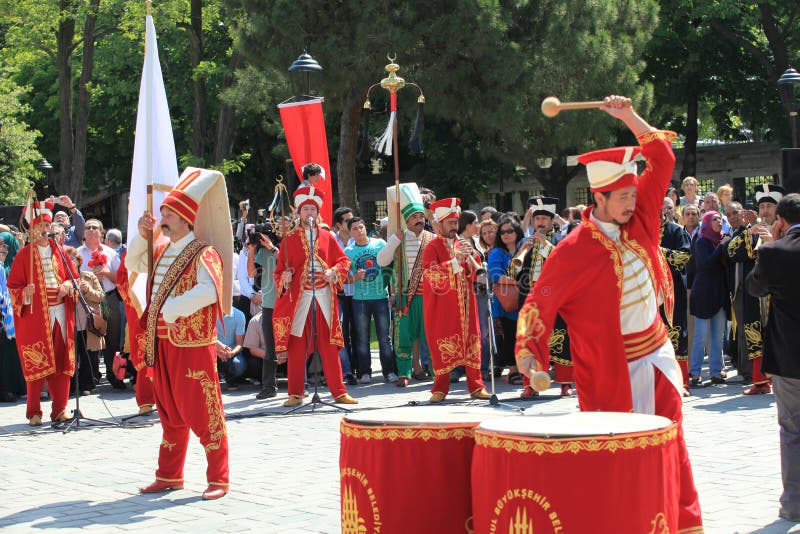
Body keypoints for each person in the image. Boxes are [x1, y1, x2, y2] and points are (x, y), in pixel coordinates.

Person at [514, 95, 702, 531]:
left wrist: (628, 117)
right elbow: (537, 304)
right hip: (608, 369)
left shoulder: (641, 221)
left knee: (671, 444)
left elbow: (663, 157)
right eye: (621, 197)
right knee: (617, 456)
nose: (631, 204)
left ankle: (681, 523)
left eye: (633, 195)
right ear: (597, 198)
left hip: (656, 355)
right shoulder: (572, 251)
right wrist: (530, 355)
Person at [128, 168, 233, 500]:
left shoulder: (205, 252)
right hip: (161, 343)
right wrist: (139, 234)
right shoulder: (159, 251)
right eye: (162, 213)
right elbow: (134, 262)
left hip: (191, 343)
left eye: (169, 212)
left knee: (204, 410)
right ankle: (169, 474)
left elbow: (210, 291)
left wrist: (173, 308)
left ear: (186, 218)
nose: (163, 217)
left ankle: (219, 477)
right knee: (170, 412)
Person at [272, 186, 357, 407]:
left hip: (323, 295)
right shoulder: (288, 239)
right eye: (305, 209)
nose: (309, 213)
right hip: (299, 299)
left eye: (313, 209)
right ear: (299, 213)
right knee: (297, 345)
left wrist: (334, 272)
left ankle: (338, 391)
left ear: (318, 213)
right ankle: (295, 393)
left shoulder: (328, 237)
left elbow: (343, 261)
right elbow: (278, 271)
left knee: (329, 344)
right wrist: (286, 276)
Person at [746, 193, 800, 523]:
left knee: (792, 429)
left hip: (789, 355)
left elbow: (755, 288)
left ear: (780, 221)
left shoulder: (774, 252)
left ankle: (794, 502)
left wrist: (765, 250)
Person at [7, 200, 79, 425]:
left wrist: (68, 285)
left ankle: (60, 409)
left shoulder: (60, 251)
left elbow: (74, 277)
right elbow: (13, 287)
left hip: (60, 310)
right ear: (31, 229)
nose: (45, 231)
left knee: (62, 361)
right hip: (37, 315)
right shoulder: (24, 255)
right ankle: (34, 411)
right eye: (40, 227)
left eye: (47, 226)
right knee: (37, 361)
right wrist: (25, 293)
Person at [423, 197, 490, 402]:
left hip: (467, 302)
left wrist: (473, 261)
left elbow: (473, 271)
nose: (454, 227)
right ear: (440, 224)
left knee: (472, 342)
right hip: (444, 307)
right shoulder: (432, 247)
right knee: (443, 343)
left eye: (456, 223)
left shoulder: (462, 243)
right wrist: (455, 260)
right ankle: (440, 388)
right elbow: (431, 274)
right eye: (450, 223)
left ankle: (476, 386)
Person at [377, 183, 435, 388]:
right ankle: (404, 372)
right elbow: (382, 261)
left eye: (420, 216)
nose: (418, 220)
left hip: (429, 296)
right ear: (406, 220)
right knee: (404, 336)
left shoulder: (432, 239)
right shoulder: (397, 239)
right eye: (413, 217)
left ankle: (438, 372)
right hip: (404, 296)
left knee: (431, 334)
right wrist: (393, 241)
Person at [515, 197, 573, 398]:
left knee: (560, 339)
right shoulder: (525, 242)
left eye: (544, 219)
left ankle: (565, 383)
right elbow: (513, 271)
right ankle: (530, 384)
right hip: (531, 298)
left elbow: (566, 264)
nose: (540, 222)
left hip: (555, 298)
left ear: (551, 221)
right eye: (537, 219)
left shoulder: (559, 240)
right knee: (530, 340)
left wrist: (546, 245)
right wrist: (522, 251)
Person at [344, 217, 395, 383]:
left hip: (381, 296)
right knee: (362, 338)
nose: (359, 231)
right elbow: (345, 279)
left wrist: (392, 292)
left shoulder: (379, 244)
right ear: (350, 232)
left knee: (384, 337)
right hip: (360, 300)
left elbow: (390, 269)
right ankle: (365, 372)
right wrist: (356, 277)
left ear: (365, 227)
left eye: (361, 227)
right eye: (355, 229)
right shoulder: (348, 252)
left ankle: (389, 371)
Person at [77, 219, 123, 389]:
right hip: (86, 301)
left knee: (112, 337)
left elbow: (120, 279)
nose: (90, 230)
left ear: (101, 233)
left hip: (108, 298)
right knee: (89, 339)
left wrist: (106, 273)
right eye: (87, 227)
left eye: (94, 227)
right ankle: (90, 378)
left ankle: (114, 375)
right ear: (83, 233)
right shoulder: (77, 253)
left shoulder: (111, 253)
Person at [689, 211, 730, 386]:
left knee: (718, 336)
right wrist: (721, 246)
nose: (719, 221)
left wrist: (723, 245)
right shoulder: (702, 241)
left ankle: (715, 372)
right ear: (706, 222)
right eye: (715, 219)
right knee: (700, 335)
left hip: (719, 293)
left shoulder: (723, 239)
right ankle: (695, 373)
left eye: (720, 219)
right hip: (704, 294)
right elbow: (705, 264)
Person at [660, 197, 692, 393]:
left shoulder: (676, 231)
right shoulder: (640, 231)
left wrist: (659, 252)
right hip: (647, 291)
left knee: (677, 333)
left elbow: (685, 256)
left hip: (674, 289)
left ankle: (682, 383)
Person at [65, 247, 105, 396]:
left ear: (79, 261)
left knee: (88, 355)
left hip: (89, 323)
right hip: (70, 324)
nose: (71, 262)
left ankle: (86, 385)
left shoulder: (88, 276)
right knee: (72, 356)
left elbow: (101, 296)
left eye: (73, 258)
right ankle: (71, 386)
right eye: (68, 259)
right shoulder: (62, 279)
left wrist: (88, 290)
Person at [248, 224, 280, 400]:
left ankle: (300, 385)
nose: (263, 240)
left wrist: (272, 247)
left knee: (295, 344)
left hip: (288, 304)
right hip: (268, 304)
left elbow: (287, 263)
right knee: (270, 348)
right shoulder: (263, 253)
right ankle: (269, 387)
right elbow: (251, 273)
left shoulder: (283, 248)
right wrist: (252, 249)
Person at [332, 207, 357, 384]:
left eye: (352, 219)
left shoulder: (359, 239)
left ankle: (360, 369)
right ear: (338, 225)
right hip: (339, 294)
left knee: (358, 332)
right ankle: (345, 370)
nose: (351, 223)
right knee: (341, 332)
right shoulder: (332, 242)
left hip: (357, 294)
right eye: (347, 220)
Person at [0, 231, 25, 402]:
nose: (4, 249)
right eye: (1, 246)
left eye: (6, 245)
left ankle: (18, 387)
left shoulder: (15, 264)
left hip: (16, 312)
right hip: (5, 315)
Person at [216, 293, 248, 390]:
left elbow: (239, 343)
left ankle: (232, 379)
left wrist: (231, 352)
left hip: (232, 352)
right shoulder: (210, 314)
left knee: (239, 365)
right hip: (213, 350)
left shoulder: (239, 315)